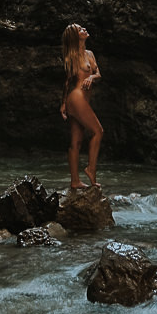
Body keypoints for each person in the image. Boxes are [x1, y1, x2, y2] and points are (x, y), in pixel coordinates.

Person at [60, 22, 104, 189]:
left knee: (76, 141)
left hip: (84, 99)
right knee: (98, 131)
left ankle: (75, 181)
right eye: (80, 29)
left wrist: (91, 77)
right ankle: (91, 169)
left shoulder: (90, 54)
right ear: (75, 36)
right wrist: (63, 103)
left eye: (83, 28)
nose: (84, 29)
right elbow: (67, 82)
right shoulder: (72, 57)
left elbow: (98, 73)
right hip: (76, 97)